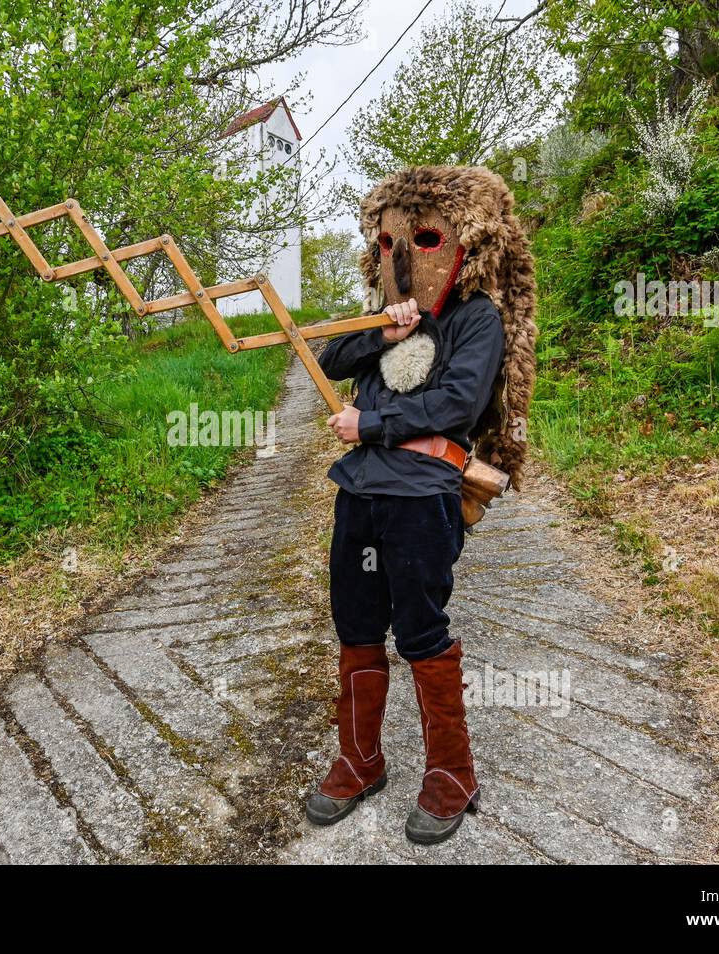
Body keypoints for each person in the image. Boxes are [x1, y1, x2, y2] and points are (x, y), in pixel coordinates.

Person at [304, 165, 538, 845]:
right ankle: (360, 760)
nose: (403, 258)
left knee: (421, 631)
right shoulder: (385, 317)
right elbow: (328, 356)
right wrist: (386, 333)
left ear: (466, 243)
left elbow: (457, 403)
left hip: (423, 497)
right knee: (354, 626)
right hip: (361, 495)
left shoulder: (476, 318)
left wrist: (369, 426)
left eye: (425, 239)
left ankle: (452, 774)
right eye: (389, 244)